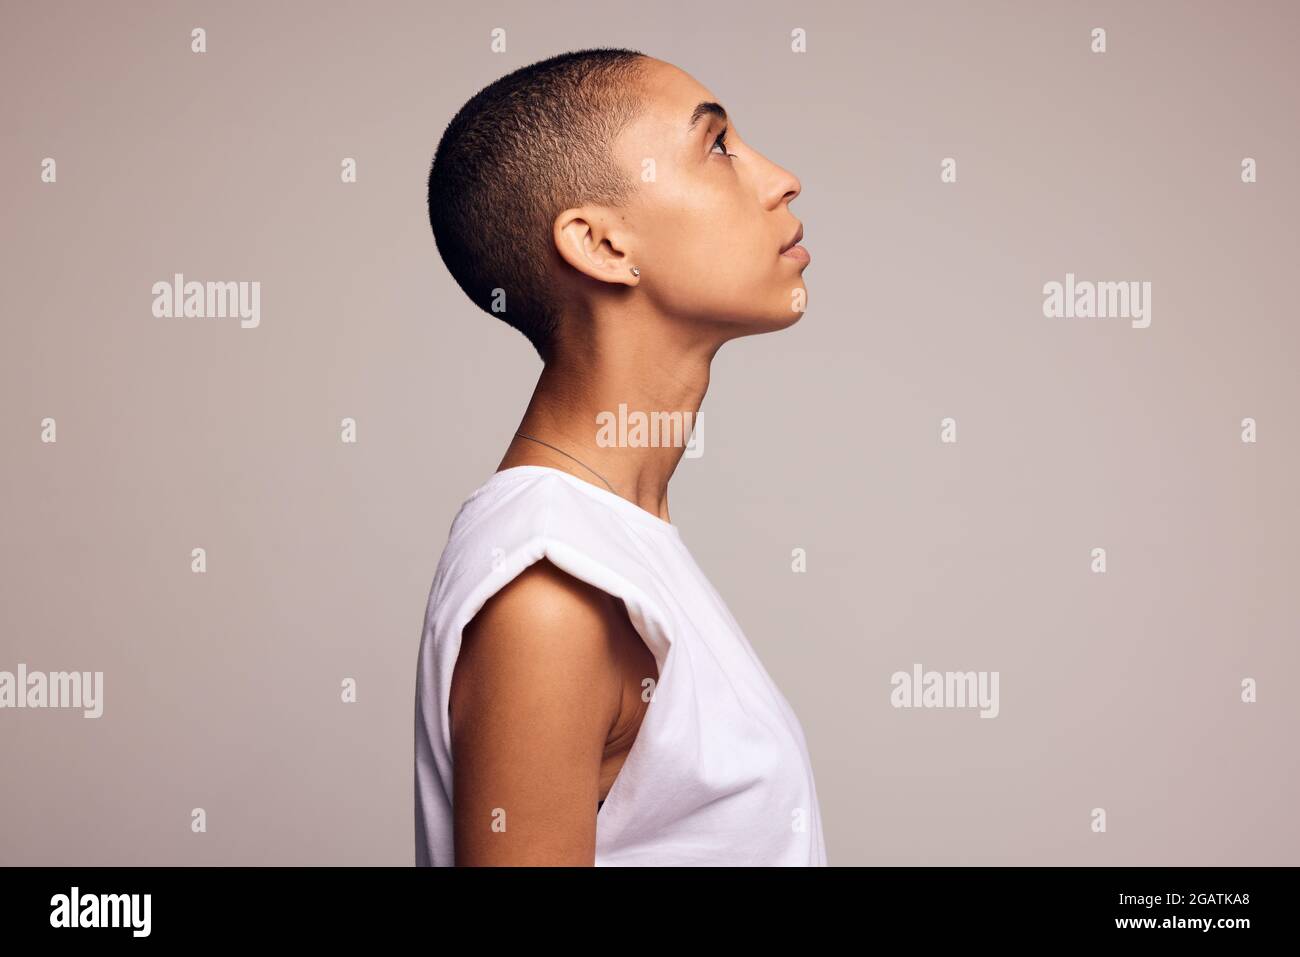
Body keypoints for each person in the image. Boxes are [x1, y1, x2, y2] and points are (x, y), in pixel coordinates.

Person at [415, 47, 825, 866]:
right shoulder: (552, 585)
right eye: (717, 147)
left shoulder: (622, 542)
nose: (782, 179)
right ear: (601, 243)